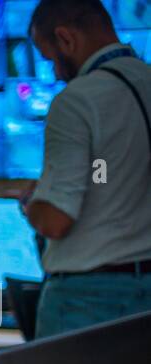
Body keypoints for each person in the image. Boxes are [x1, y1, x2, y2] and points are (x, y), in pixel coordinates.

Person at [23, 0, 151, 338]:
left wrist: (33, 202)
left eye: (50, 59)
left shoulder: (77, 100)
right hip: (145, 296)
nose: (54, 72)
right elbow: (106, 172)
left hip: (85, 302)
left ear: (66, 39)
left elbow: (56, 219)